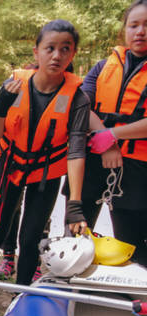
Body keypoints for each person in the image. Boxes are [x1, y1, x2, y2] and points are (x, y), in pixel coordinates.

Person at [0, 20, 89, 314]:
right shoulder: (14, 87)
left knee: (31, 236)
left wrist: (75, 202)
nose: (56, 55)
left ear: (72, 54)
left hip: (46, 174)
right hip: (10, 166)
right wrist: (1, 107)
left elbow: (76, 150)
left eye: (65, 49)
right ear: (37, 52)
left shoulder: (78, 98)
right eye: (50, 48)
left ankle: (20, 296)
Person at [79, 0, 147, 266]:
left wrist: (114, 135)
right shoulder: (102, 66)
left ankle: (136, 300)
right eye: (134, 25)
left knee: (131, 242)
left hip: (137, 168)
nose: (140, 31)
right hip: (95, 156)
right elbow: (79, 105)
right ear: (124, 30)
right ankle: (74, 294)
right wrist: (106, 142)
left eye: (146, 26)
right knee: (77, 233)